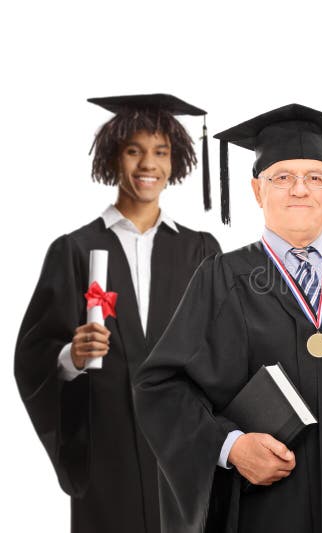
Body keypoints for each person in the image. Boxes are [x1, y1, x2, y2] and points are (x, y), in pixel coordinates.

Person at [133, 103, 322, 533]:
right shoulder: (222, 277)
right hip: (267, 512)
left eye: (315, 177)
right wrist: (231, 445)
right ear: (257, 191)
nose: (300, 189)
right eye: (282, 177)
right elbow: (160, 388)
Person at [14, 93, 221, 533]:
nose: (149, 165)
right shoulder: (74, 249)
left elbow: (225, 350)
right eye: (134, 151)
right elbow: (32, 356)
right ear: (113, 157)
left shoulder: (200, 251)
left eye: (160, 152)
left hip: (182, 451)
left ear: (176, 160)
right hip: (107, 453)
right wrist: (72, 355)